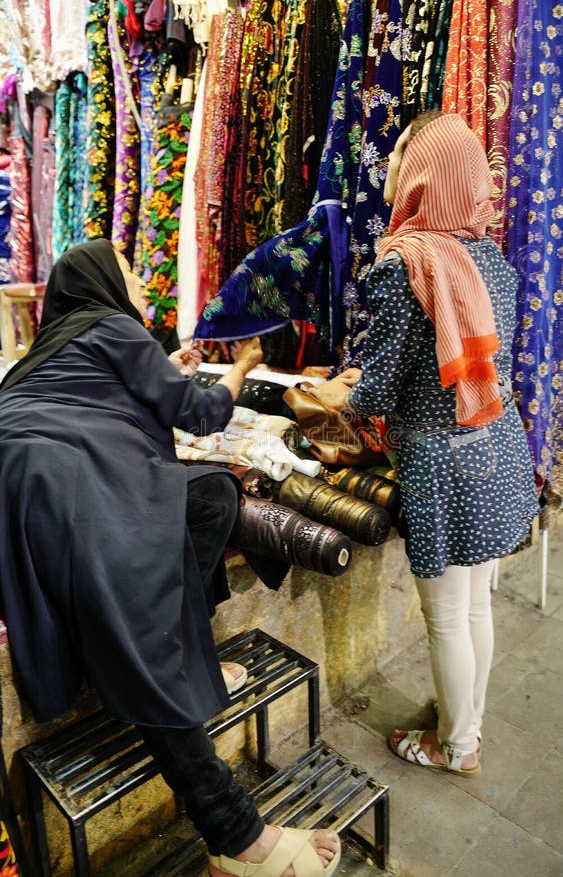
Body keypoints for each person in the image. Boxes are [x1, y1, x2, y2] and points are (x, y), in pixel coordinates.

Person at [0, 239, 340, 876]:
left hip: (21, 496)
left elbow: (94, 400)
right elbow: (200, 413)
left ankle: (191, 656)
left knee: (209, 494)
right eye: (128, 270)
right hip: (69, 482)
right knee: (144, 595)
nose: (138, 281)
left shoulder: (52, 346)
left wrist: (162, 365)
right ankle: (240, 841)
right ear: (102, 281)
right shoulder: (109, 325)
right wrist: (237, 369)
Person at [313, 112, 539, 777]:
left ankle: (456, 745)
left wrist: (336, 400)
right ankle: (466, 726)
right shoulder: (488, 258)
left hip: (440, 460)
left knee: (446, 615)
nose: (392, 166)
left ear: (425, 176)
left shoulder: (404, 262)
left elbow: (381, 387)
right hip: (492, 441)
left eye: (404, 156)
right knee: (474, 605)